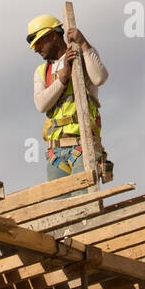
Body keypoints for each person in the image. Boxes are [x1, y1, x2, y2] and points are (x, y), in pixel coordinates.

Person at [26, 14, 108, 182]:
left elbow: (99, 78)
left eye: (39, 43)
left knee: (83, 203)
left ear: (52, 36)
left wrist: (84, 44)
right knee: (61, 206)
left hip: (83, 145)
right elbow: (41, 105)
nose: (36, 49)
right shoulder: (42, 71)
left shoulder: (82, 55)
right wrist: (63, 78)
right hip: (55, 153)